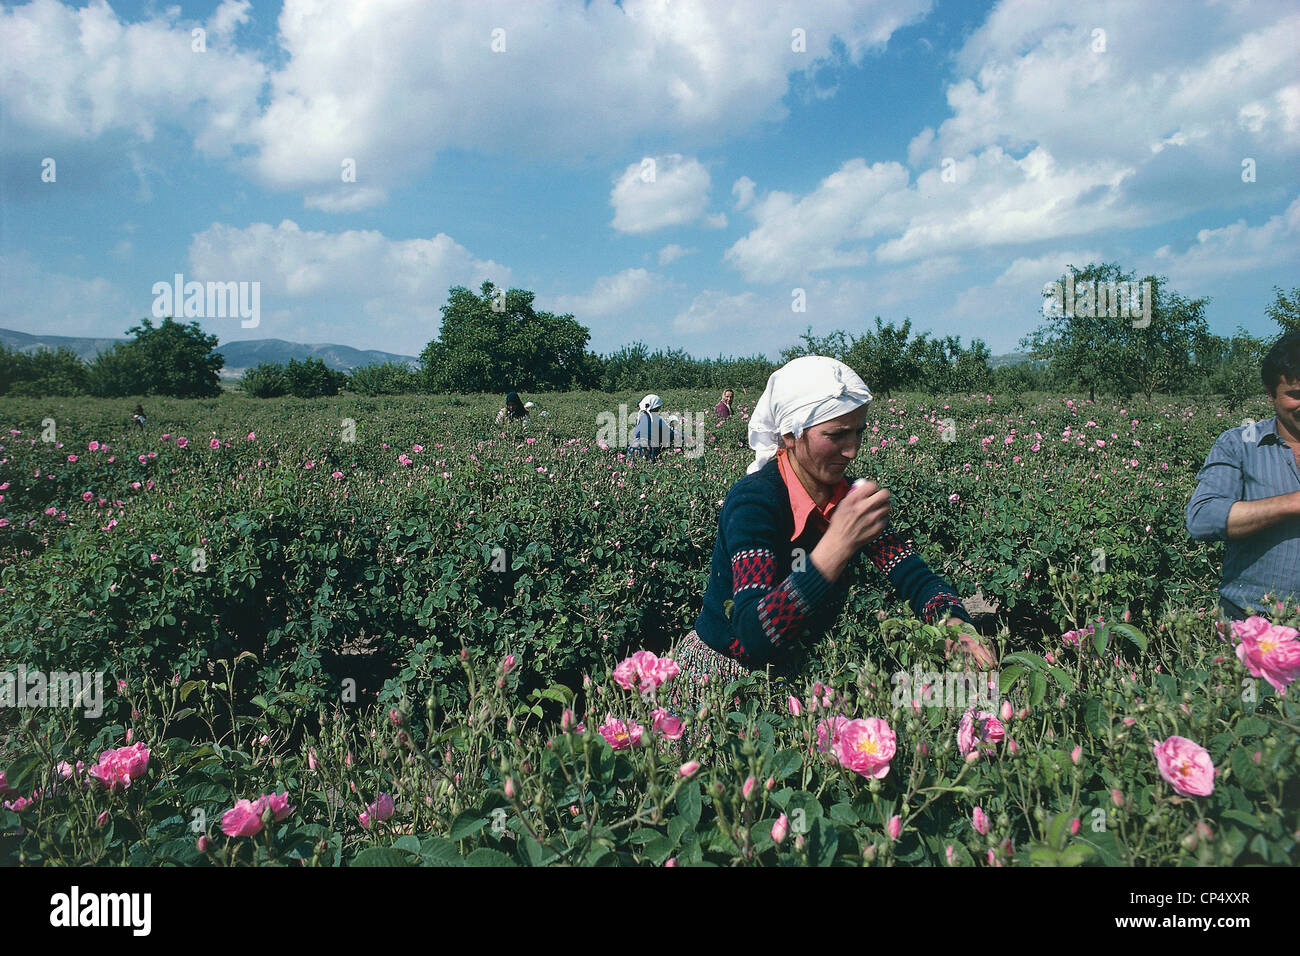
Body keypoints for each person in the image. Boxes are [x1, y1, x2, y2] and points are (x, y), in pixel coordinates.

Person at [669, 356, 994, 714]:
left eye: (858, 432)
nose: (852, 450)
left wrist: (954, 624)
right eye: (836, 434)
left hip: (791, 676)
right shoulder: (754, 501)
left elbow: (913, 576)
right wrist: (835, 547)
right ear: (791, 435)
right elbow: (753, 634)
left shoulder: (848, 498)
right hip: (722, 682)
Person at [1187, 331, 1300, 619]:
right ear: (1271, 394)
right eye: (1295, 395)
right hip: (1250, 622)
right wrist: (1292, 504)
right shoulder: (1240, 444)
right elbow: (1203, 518)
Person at [626, 394, 677, 461]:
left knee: (632, 467)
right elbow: (669, 434)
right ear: (657, 407)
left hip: (633, 445)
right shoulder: (657, 418)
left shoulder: (640, 418)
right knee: (648, 467)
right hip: (647, 446)